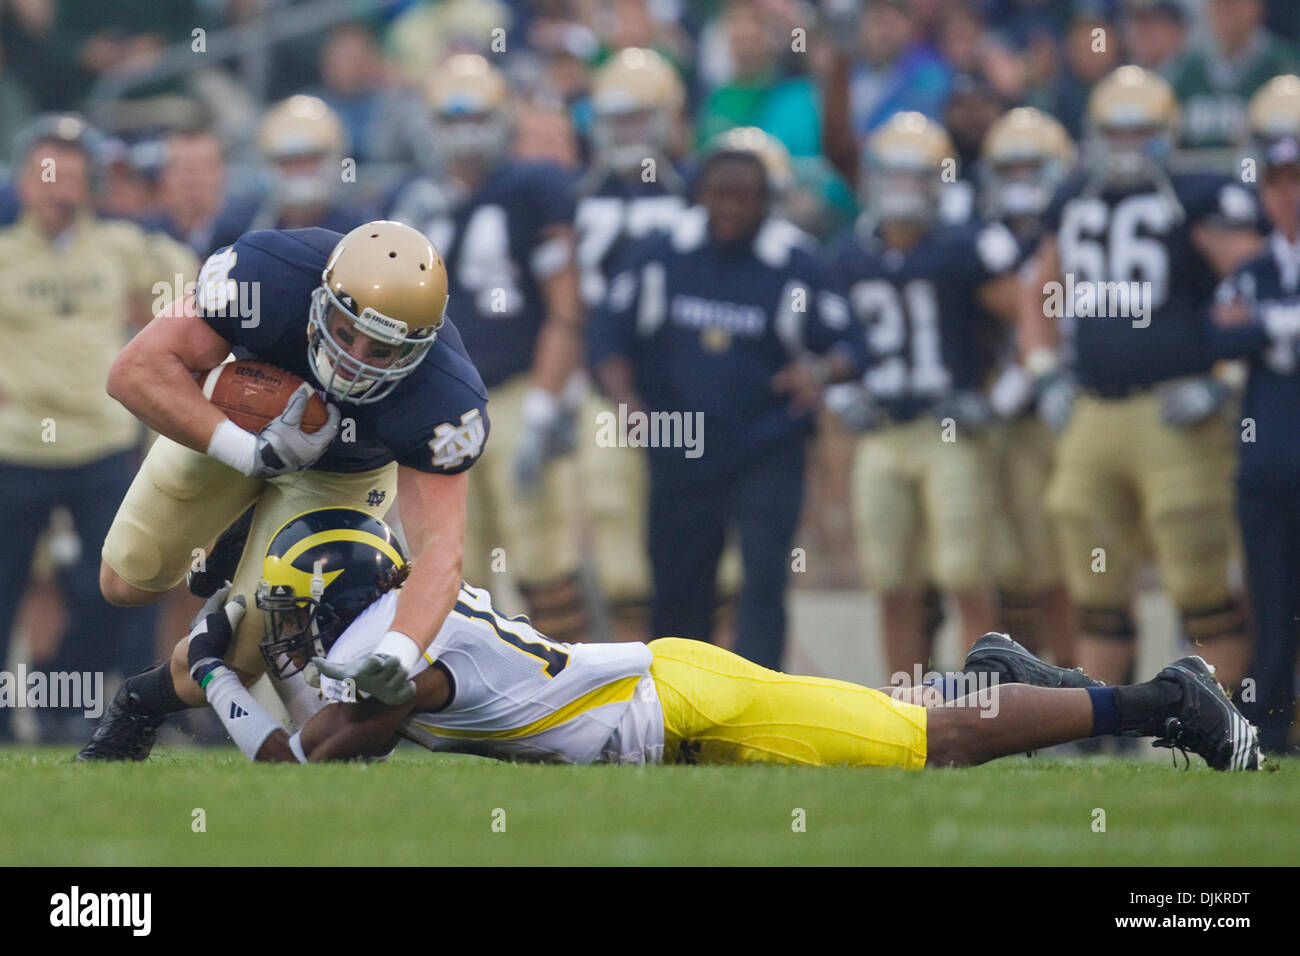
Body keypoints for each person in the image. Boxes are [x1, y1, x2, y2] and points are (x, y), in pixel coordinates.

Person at [182, 506, 1260, 772]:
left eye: (287, 609)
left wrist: (229, 679)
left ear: (324, 598)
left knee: (929, 744)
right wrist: (237, 675)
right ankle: (1027, 679)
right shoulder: (386, 620)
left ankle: (1168, 700)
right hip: (661, 707)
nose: (283, 629)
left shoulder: (389, 651)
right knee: (918, 736)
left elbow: (316, 755)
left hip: (683, 698)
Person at [78, 219, 490, 761]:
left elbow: (440, 550)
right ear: (320, 297)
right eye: (345, 331)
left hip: (343, 474)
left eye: (381, 349)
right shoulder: (269, 275)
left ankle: (140, 702)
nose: (354, 357)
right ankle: (241, 525)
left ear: (417, 349)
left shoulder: (444, 397)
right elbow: (133, 370)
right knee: (127, 579)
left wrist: (396, 651)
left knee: (244, 654)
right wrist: (249, 452)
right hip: (241, 427)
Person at [1020, 66, 1262, 692]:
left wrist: (1226, 374)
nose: (1126, 145)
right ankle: (1098, 723)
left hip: (1174, 410)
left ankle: (1220, 715)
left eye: (1141, 131)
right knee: (1088, 557)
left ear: (1168, 133)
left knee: (1196, 565)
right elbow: (1038, 287)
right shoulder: (1072, 195)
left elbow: (1251, 278)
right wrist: (1044, 372)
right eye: (1114, 132)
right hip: (1093, 408)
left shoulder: (1198, 194)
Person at [589, 143, 867, 670]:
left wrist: (820, 371)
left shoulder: (797, 261)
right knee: (676, 583)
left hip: (767, 445)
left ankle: (758, 703)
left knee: (763, 581)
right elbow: (607, 336)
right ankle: (672, 706)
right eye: (721, 195)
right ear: (700, 195)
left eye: (746, 197)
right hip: (677, 440)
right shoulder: (662, 251)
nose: (732, 209)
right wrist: (626, 403)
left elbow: (853, 343)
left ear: (768, 200)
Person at [0, 114, 196, 741]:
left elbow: (192, 284)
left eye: (74, 176)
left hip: (103, 443)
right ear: (24, 182)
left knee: (119, 581)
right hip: (17, 443)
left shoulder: (119, 245)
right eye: (49, 175)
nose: (61, 189)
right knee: (5, 588)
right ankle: (15, 721)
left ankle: (124, 713)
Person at [386, 54, 587, 642]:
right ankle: (479, 712)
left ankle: (570, 700)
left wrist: (548, 403)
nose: (464, 132)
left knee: (544, 561)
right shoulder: (415, 199)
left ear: (504, 120)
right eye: (451, 119)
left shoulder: (533, 186)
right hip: (439, 403)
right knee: (452, 569)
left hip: (518, 390)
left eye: (476, 116)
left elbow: (566, 303)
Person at [825, 111, 1022, 678]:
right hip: (882, 433)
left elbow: (1030, 318)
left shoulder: (965, 246)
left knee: (965, 576)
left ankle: (987, 707)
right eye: (891, 176)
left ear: (938, 182)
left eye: (914, 177)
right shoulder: (850, 254)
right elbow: (829, 346)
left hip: (949, 430)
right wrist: (842, 400)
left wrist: (1000, 396)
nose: (900, 191)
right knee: (891, 585)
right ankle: (906, 713)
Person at [1206, 77, 1300, 753]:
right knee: (1269, 607)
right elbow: (1219, 335)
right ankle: (1268, 735)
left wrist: (1266, 327)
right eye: (1279, 182)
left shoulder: (1257, 280)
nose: (1288, 194)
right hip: (1267, 460)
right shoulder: (1255, 267)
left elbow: (1245, 329)